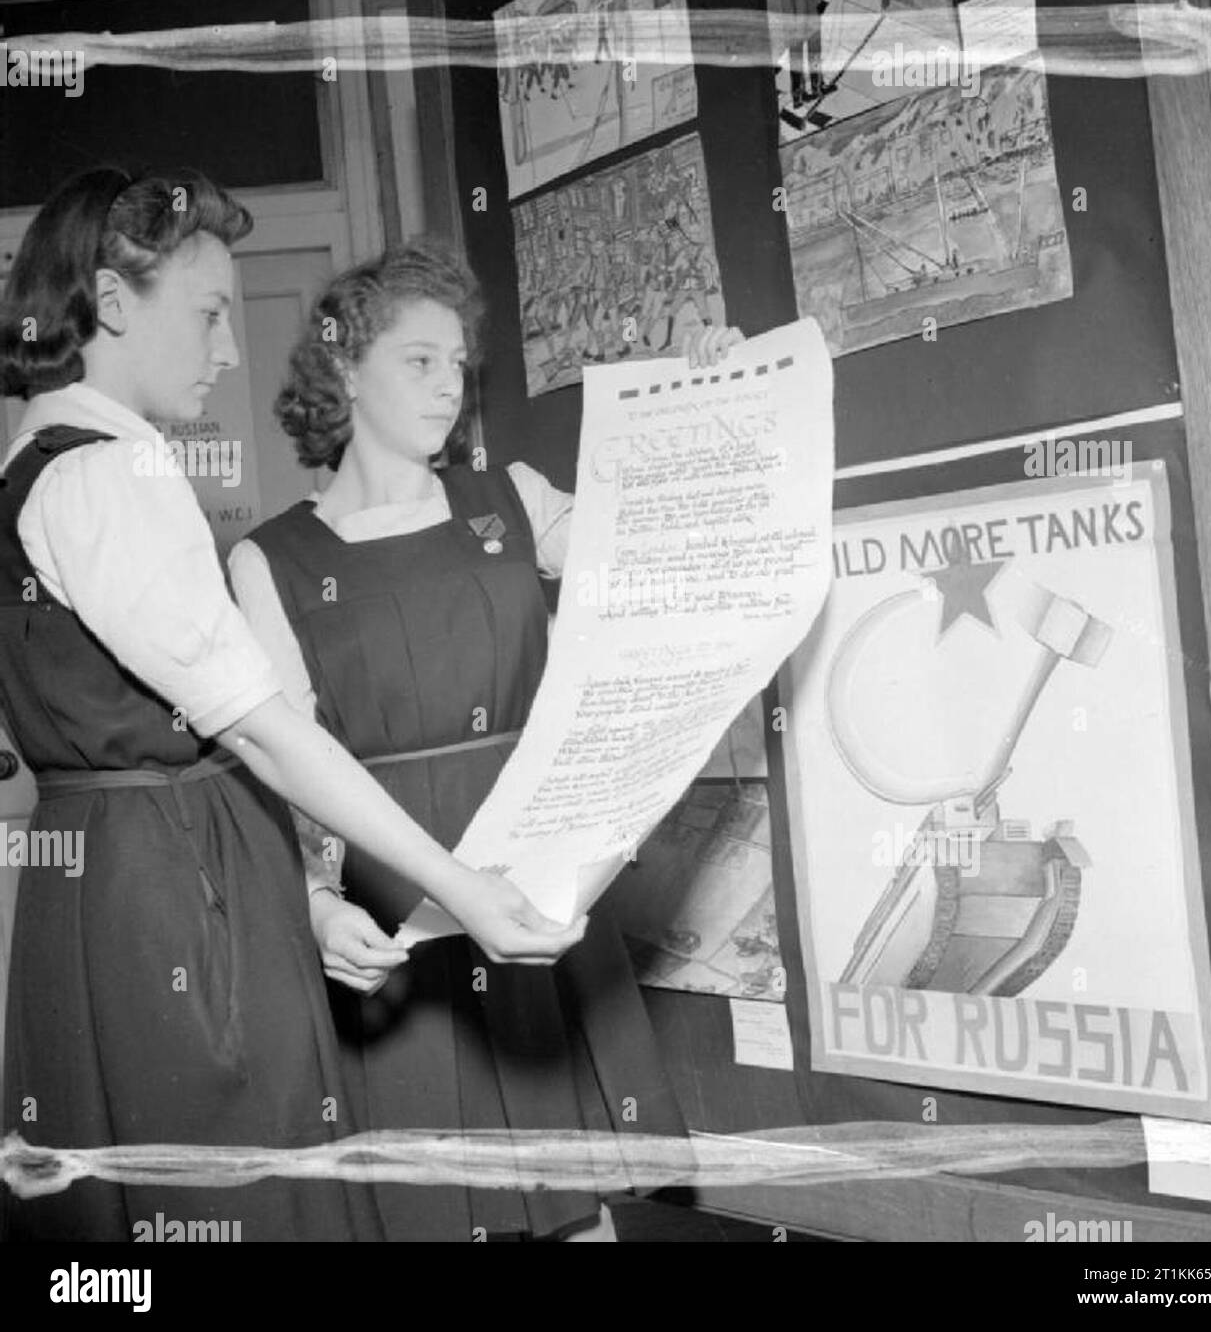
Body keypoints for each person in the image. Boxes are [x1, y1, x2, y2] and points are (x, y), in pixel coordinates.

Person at [0, 169, 584, 1243]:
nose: (228, 349)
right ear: (114, 303)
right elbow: (263, 723)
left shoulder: (32, 465)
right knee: (244, 1192)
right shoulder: (112, 473)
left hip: (120, 884)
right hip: (182, 892)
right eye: (210, 312)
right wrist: (455, 881)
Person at [228, 240, 743, 1241]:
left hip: (535, 877)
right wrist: (318, 906)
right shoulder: (270, 562)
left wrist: (706, 399)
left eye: (456, 362)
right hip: (398, 912)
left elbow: (666, 538)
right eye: (417, 360)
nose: (446, 384)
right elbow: (283, 771)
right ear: (342, 367)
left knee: (576, 1208)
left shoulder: (508, 498)